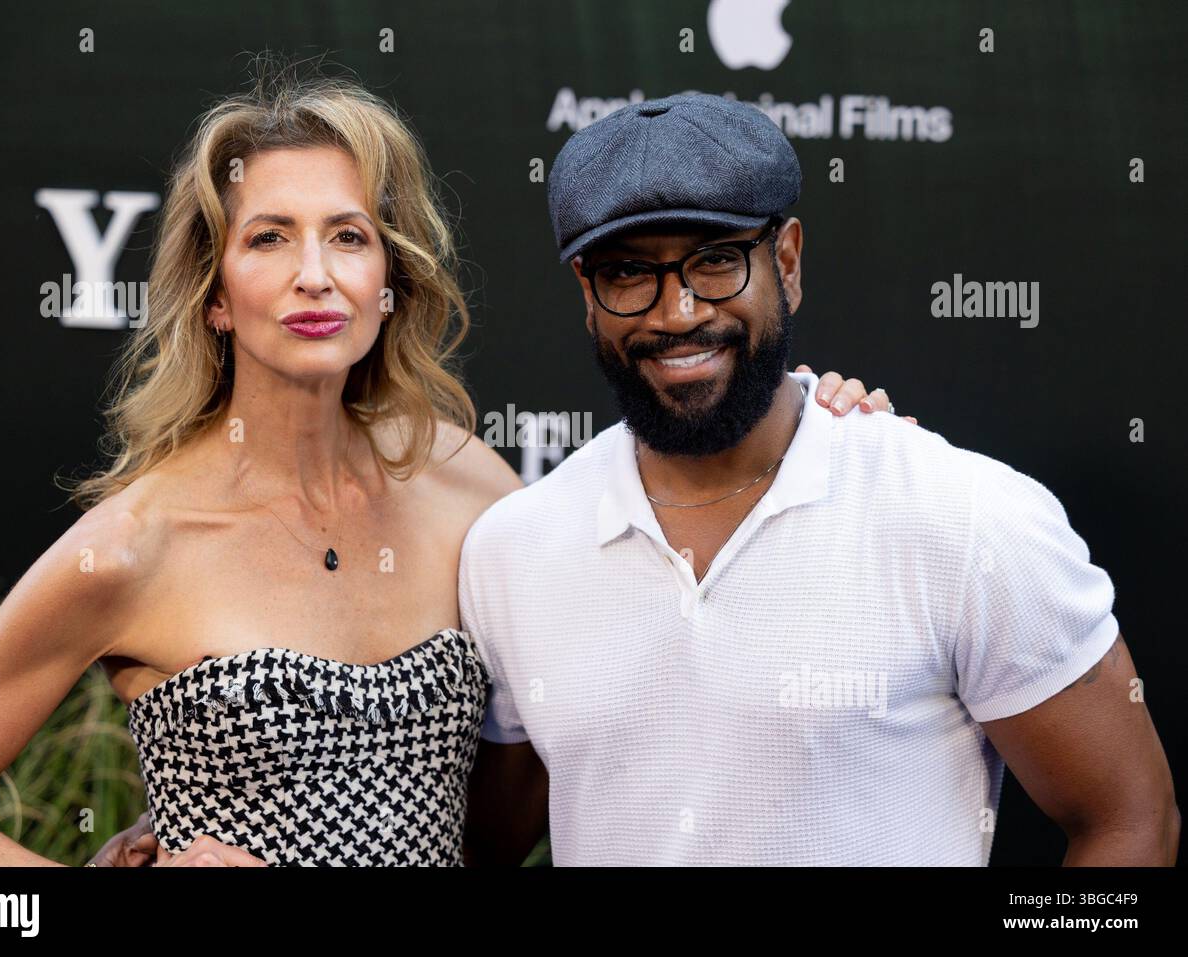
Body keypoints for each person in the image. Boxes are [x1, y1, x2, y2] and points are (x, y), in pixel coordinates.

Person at [0, 73, 888, 867]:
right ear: (216, 295)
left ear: (388, 281)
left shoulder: (470, 486)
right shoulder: (132, 547)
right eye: (269, 238)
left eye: (348, 237)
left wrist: (821, 424)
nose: (314, 274)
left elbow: (653, 575)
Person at [459, 93, 1179, 866]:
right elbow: (481, 842)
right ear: (587, 295)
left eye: (716, 258)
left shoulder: (964, 516)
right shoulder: (513, 548)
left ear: (788, 263)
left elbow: (1131, 821)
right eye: (629, 271)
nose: (678, 310)